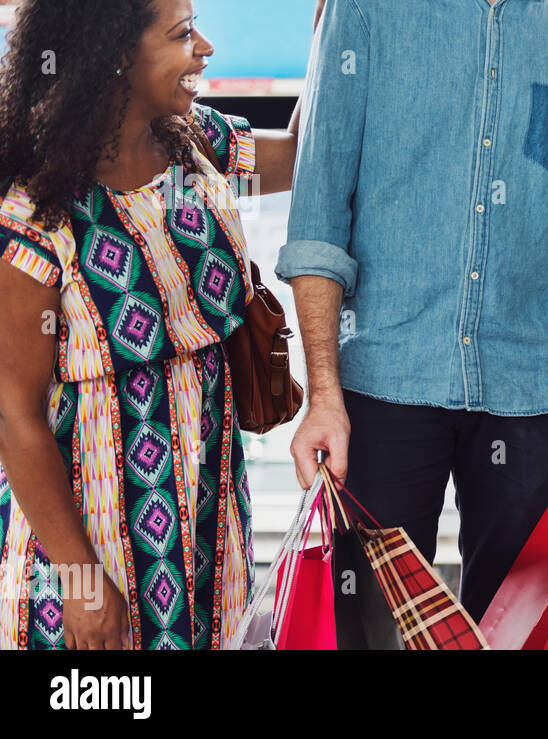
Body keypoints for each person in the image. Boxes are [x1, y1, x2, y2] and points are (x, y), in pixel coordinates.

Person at [278, 0, 548, 631]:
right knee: (378, 627)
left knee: (520, 628)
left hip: (531, 389)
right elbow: (318, 224)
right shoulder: (365, 13)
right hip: (386, 379)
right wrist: (323, 394)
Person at [0, 0, 309, 650]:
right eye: (181, 35)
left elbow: (303, 158)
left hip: (205, 517)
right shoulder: (37, 213)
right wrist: (84, 582)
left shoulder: (191, 144)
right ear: (116, 54)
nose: (206, 49)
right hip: (94, 543)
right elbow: (14, 416)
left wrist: (334, 25)